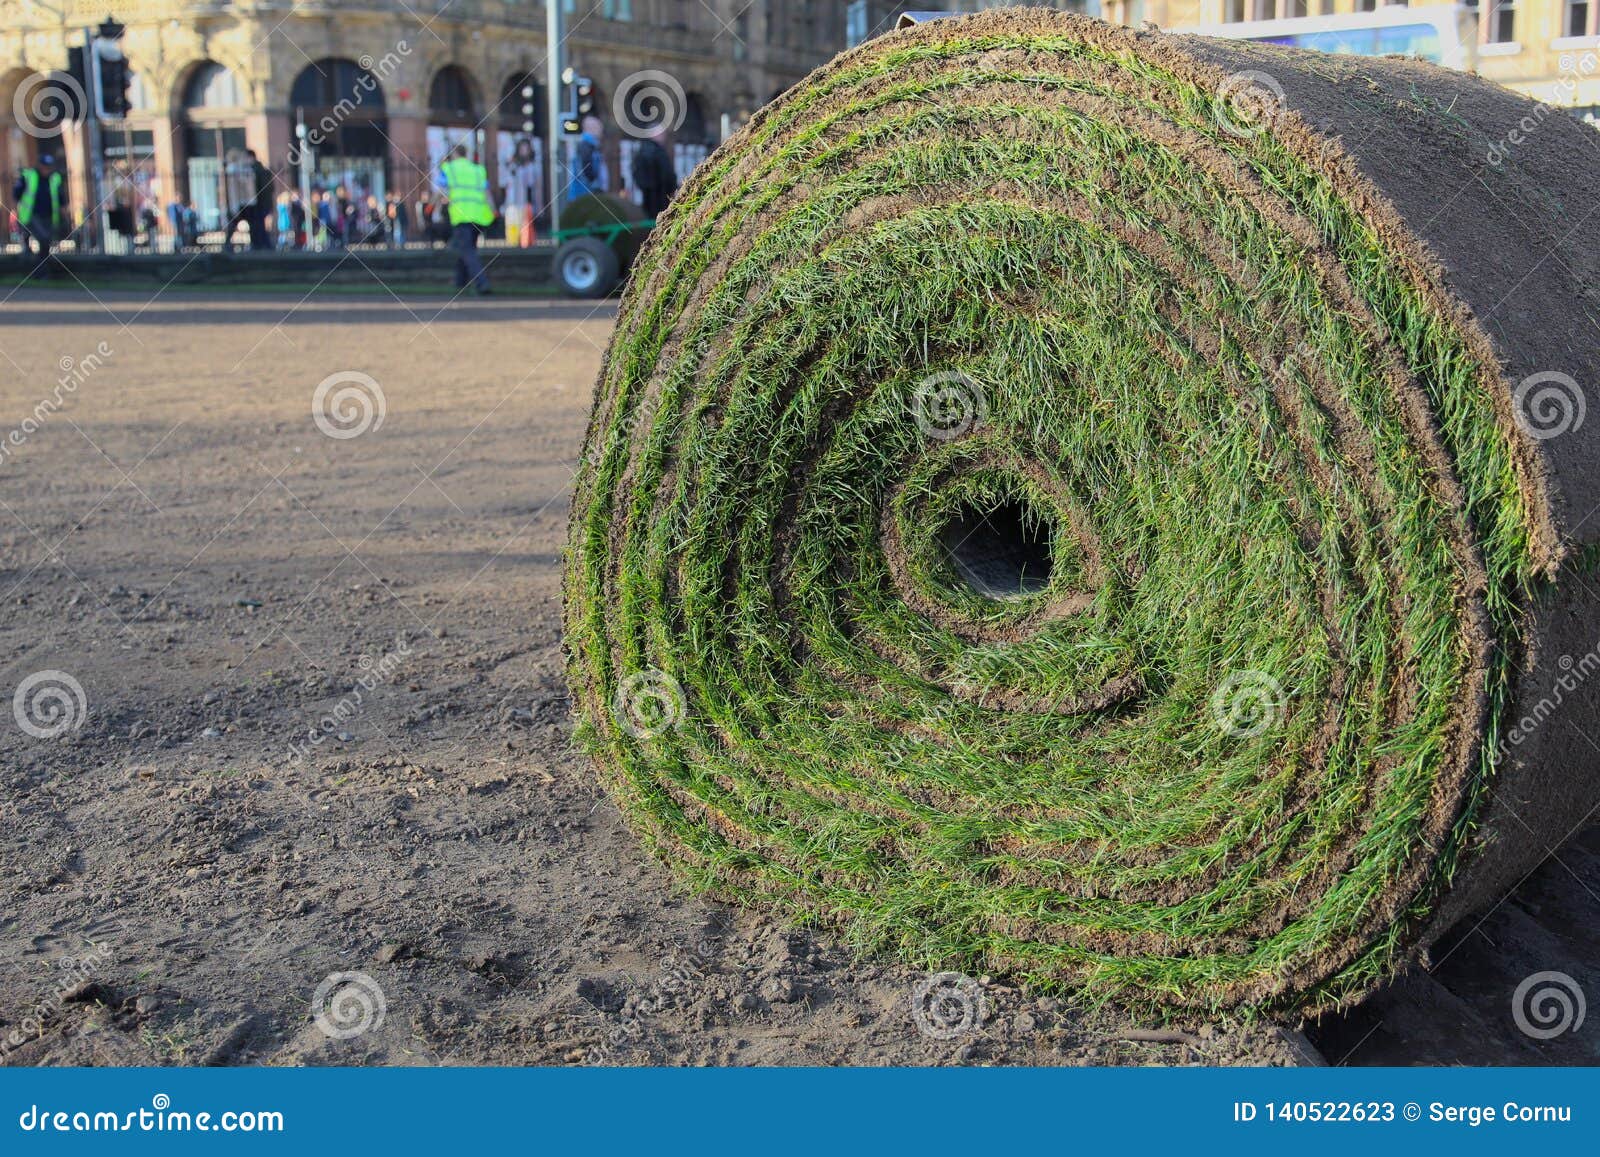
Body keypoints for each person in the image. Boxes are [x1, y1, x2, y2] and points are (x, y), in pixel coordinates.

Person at [437, 144, 495, 294]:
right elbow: (487, 192)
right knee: (467, 248)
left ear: (454, 153)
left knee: (467, 250)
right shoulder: (477, 170)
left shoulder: (449, 168)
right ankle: (459, 281)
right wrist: (494, 211)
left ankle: (482, 283)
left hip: (461, 215)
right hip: (479, 216)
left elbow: (440, 190)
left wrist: (431, 208)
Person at [13, 152, 66, 278]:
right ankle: (40, 271)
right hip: (31, 216)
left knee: (46, 243)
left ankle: (40, 271)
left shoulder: (55, 178)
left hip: (49, 216)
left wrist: (64, 215)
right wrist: (16, 213)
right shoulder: (28, 176)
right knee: (43, 239)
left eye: (49, 167)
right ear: (39, 165)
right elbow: (16, 195)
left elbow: (61, 198)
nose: (47, 169)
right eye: (44, 166)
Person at [631, 125, 680, 219]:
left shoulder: (641, 150)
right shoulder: (658, 151)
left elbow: (636, 172)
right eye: (662, 134)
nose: (664, 137)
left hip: (647, 194)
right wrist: (673, 187)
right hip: (660, 194)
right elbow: (667, 174)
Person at [568, 116, 605, 200]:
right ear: (592, 128)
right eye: (599, 127)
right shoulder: (587, 145)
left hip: (583, 192)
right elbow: (586, 169)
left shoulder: (588, 145)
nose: (601, 131)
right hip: (584, 193)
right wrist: (594, 184)